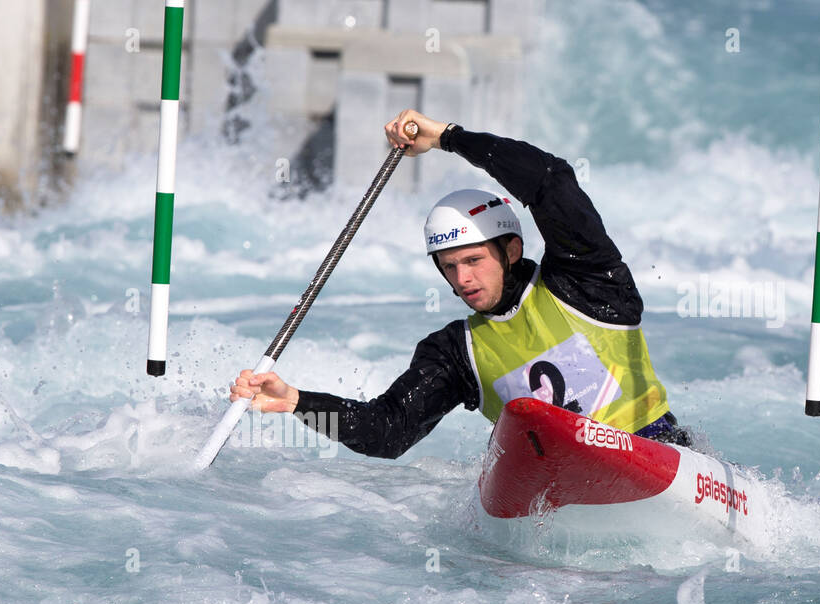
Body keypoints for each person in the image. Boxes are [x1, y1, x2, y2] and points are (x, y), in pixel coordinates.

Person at [228, 109, 690, 458]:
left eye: (473, 260)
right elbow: (389, 430)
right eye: (448, 267)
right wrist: (296, 402)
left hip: (658, 451)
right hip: (558, 488)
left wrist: (449, 138)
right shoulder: (455, 352)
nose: (462, 278)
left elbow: (550, 181)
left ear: (511, 251)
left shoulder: (588, 283)